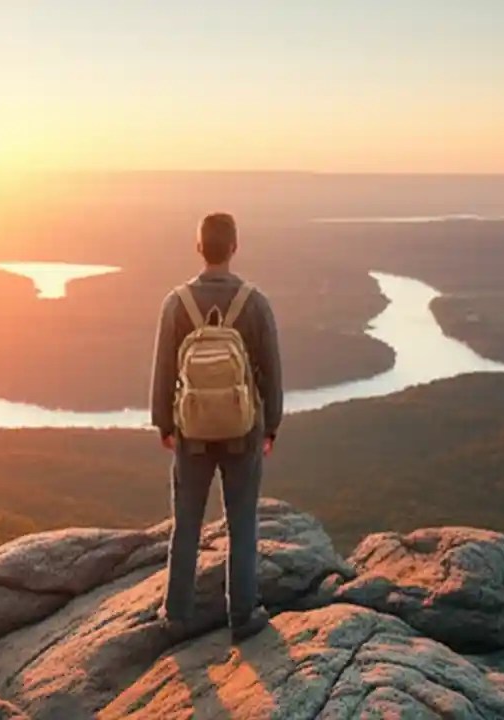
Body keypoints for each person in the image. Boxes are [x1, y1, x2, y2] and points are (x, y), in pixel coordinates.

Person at [149, 212, 283, 643]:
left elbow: (164, 370)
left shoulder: (177, 303)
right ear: (234, 247)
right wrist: (270, 427)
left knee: (186, 523)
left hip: (191, 435)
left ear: (199, 247)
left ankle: (175, 616)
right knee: (242, 523)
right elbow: (271, 371)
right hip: (244, 431)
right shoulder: (254, 302)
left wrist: (164, 424)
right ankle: (242, 617)